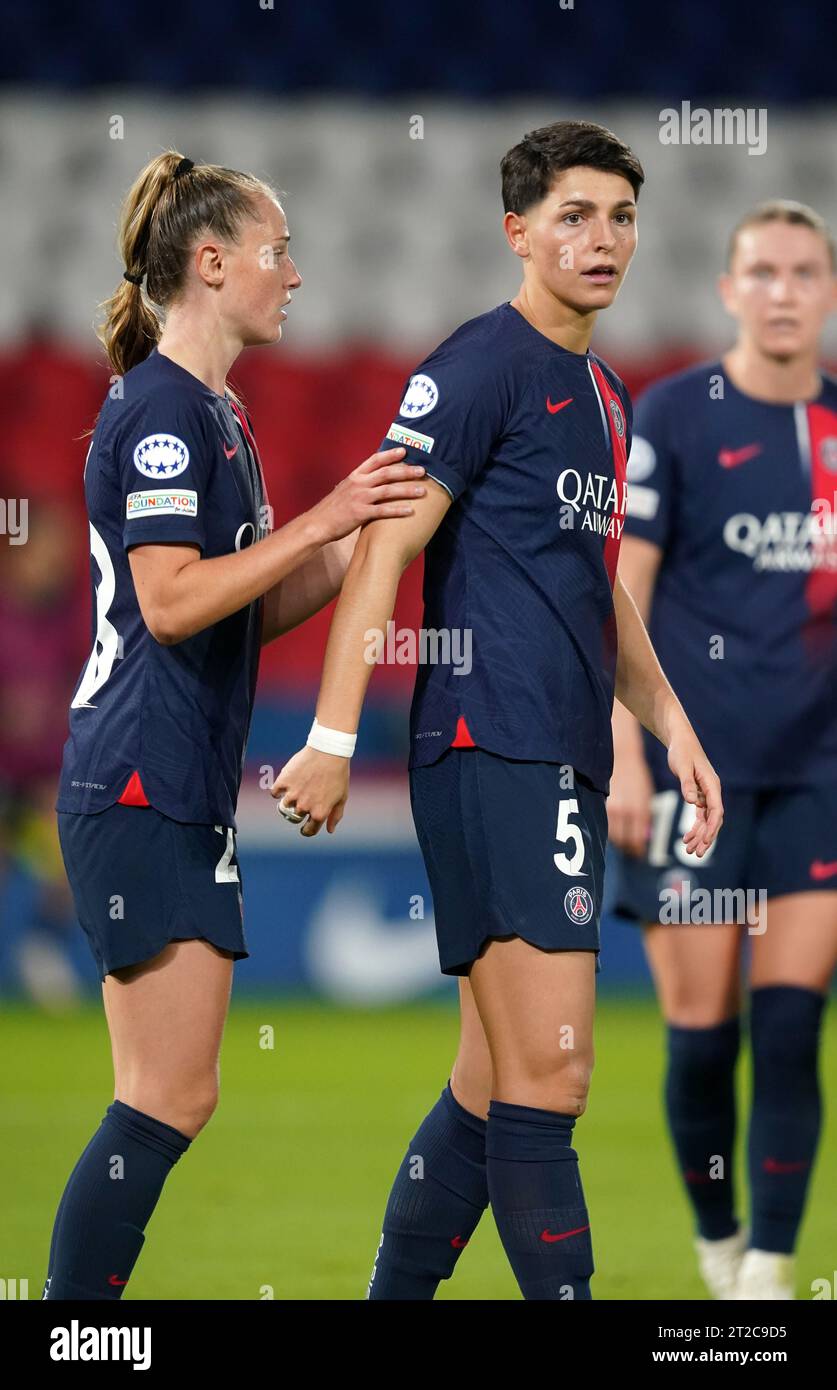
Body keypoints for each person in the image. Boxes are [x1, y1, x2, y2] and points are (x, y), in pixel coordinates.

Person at [272, 120, 723, 1301]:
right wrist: (327, 737)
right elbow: (383, 548)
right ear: (516, 231)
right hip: (492, 743)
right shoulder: (477, 365)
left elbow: (597, 592)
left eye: (621, 216)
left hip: (554, 750)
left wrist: (673, 724)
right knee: (554, 1083)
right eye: (575, 214)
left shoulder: (607, 394)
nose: (604, 238)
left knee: (491, 1086)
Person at [42, 149, 428, 1300]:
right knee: (164, 1095)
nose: (295, 274)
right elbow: (169, 604)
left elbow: (241, 613)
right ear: (211, 265)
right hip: (138, 778)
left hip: (175, 783)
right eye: (276, 250)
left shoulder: (216, 414)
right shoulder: (164, 410)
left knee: (174, 1093)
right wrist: (321, 520)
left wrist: (367, 542)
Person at [608, 200, 837, 1300]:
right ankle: (718, 1235)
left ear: (829, 291)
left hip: (819, 775)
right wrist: (623, 748)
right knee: (705, 1035)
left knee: (792, 1025)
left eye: (804, 271)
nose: (784, 290)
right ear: (729, 289)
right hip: (695, 778)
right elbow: (625, 595)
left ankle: (771, 1270)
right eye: (764, 271)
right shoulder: (675, 417)